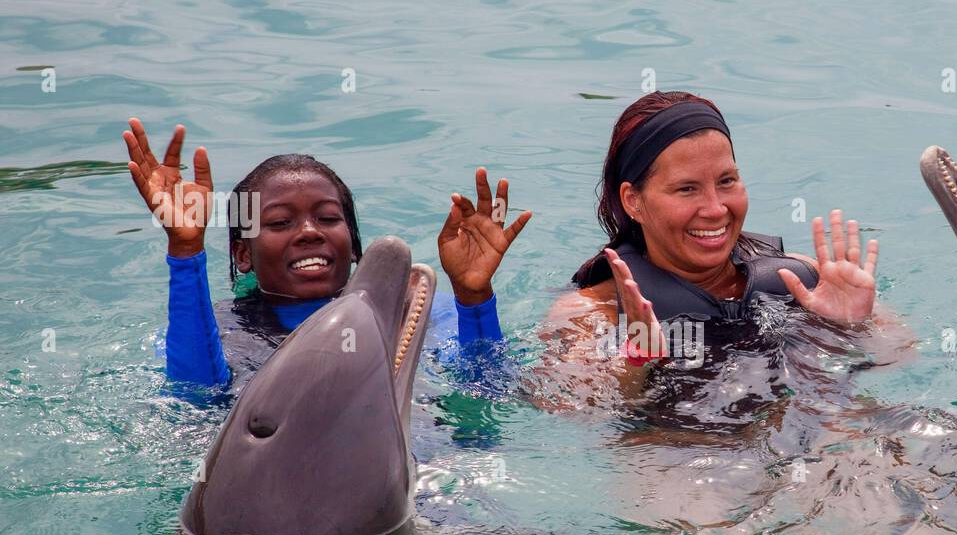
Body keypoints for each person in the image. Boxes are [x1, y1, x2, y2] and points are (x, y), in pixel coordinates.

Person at [122, 119, 529, 391]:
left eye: (328, 218)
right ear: (243, 255)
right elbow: (196, 400)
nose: (309, 232)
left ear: (353, 244)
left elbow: (487, 392)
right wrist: (186, 251)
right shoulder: (227, 333)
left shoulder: (416, 312)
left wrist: (474, 298)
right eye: (280, 223)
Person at [544, 91, 891, 396]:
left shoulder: (801, 280)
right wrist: (639, 358)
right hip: (685, 453)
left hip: (814, 430)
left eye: (727, 181)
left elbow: (902, 358)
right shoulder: (593, 312)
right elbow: (569, 407)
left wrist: (849, 328)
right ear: (633, 200)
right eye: (687, 189)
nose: (715, 209)